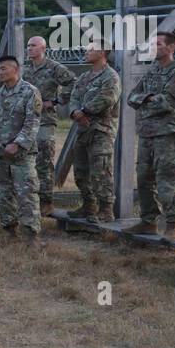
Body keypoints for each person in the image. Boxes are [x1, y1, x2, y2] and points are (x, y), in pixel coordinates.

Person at [126, 30, 175, 238]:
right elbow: (130, 97)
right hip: (146, 133)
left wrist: (145, 100)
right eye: (153, 45)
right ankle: (148, 221)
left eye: (159, 44)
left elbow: (168, 102)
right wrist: (149, 98)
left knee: (167, 178)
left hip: (167, 133)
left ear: (172, 47)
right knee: (143, 179)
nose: (155, 48)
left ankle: (173, 224)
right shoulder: (152, 71)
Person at [0, 54, 42, 239]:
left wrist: (18, 143)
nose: (0, 72)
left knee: (27, 195)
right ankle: (10, 230)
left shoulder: (29, 92)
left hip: (22, 156)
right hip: (1, 155)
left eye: (3, 69)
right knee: (4, 193)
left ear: (15, 70)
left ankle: (31, 235)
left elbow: (32, 122)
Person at [68, 43, 121, 224]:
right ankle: (88, 205)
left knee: (101, 171)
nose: (86, 52)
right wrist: (75, 112)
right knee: (81, 171)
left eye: (91, 49)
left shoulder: (111, 76)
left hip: (101, 130)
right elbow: (73, 96)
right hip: (83, 129)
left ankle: (106, 210)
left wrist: (84, 111)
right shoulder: (84, 77)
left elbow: (106, 99)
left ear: (102, 52)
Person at [24, 36, 77, 215]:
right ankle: (29, 199)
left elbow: (73, 82)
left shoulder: (54, 67)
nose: (29, 48)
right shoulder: (26, 68)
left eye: (33, 46)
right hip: (26, 121)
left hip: (45, 120)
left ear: (43, 48)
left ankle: (46, 202)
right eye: (28, 45)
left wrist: (56, 101)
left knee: (44, 161)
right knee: (26, 162)